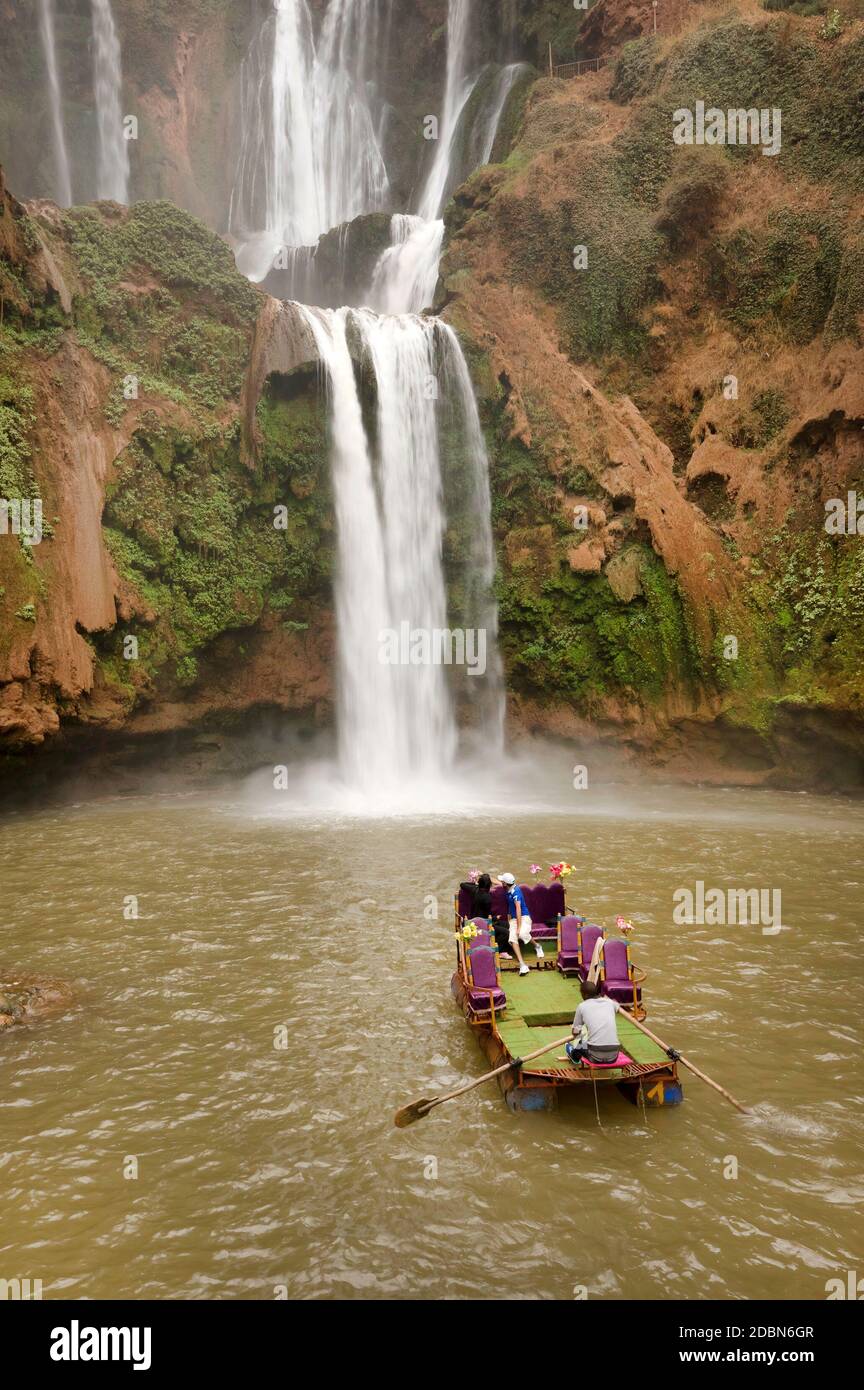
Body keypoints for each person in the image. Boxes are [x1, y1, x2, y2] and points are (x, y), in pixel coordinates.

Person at [496, 872, 544, 976]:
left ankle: (537, 946)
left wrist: (518, 927)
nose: (501, 883)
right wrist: (482, 874)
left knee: (521, 934)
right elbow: (496, 881)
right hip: (513, 919)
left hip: (524, 917)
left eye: (502, 881)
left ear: (505, 883)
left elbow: (518, 910)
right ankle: (522, 965)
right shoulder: (508, 887)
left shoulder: (515, 892)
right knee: (513, 938)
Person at [565, 979, 622, 1065]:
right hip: (614, 1055)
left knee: (580, 1042)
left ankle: (574, 1056)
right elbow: (617, 1005)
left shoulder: (582, 1006)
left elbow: (575, 1031)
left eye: (581, 994)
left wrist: (577, 1036)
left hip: (595, 1056)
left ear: (585, 995)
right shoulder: (610, 1003)